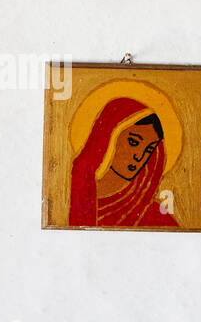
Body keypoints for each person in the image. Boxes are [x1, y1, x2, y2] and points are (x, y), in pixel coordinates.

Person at [69, 97, 178, 228]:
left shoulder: (152, 215)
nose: (140, 156)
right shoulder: (69, 196)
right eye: (133, 142)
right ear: (108, 137)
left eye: (149, 149)